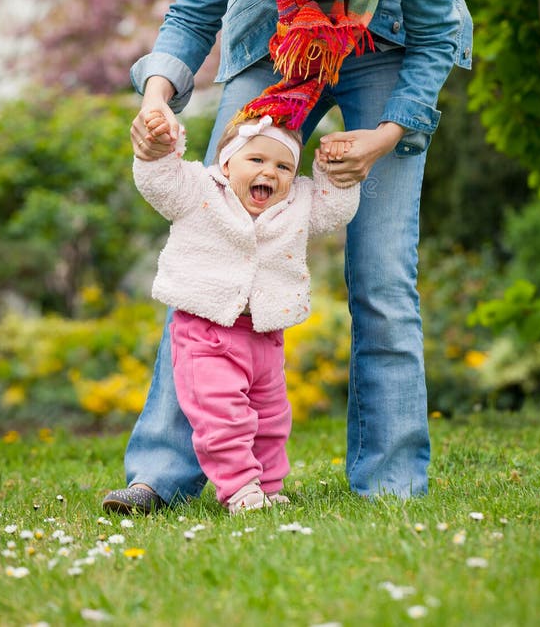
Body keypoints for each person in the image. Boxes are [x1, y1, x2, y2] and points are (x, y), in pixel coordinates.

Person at [103, 0, 473, 514]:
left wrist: (389, 133)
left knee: (383, 275)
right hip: (270, 47)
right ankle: (162, 473)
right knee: (209, 249)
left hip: (388, 51)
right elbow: (192, 12)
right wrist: (156, 97)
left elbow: (439, 34)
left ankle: (391, 482)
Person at [102, 110, 359, 514]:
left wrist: (333, 173)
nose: (270, 173)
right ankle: (240, 489)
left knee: (271, 419)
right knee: (222, 417)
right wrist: (161, 149)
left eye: (283, 166)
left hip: (265, 337)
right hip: (206, 333)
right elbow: (158, 182)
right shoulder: (199, 189)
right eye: (256, 161)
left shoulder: (296, 203)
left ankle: (269, 487)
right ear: (226, 163)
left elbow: (334, 211)